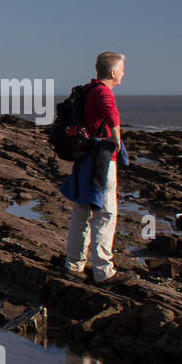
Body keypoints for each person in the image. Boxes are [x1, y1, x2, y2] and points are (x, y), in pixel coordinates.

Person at [59, 51, 128, 283]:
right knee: (105, 213)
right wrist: (116, 140)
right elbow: (111, 114)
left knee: (82, 211)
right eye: (121, 69)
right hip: (101, 158)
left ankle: (74, 265)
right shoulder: (102, 91)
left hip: (85, 156)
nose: (123, 73)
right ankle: (103, 271)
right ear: (112, 72)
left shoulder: (87, 90)